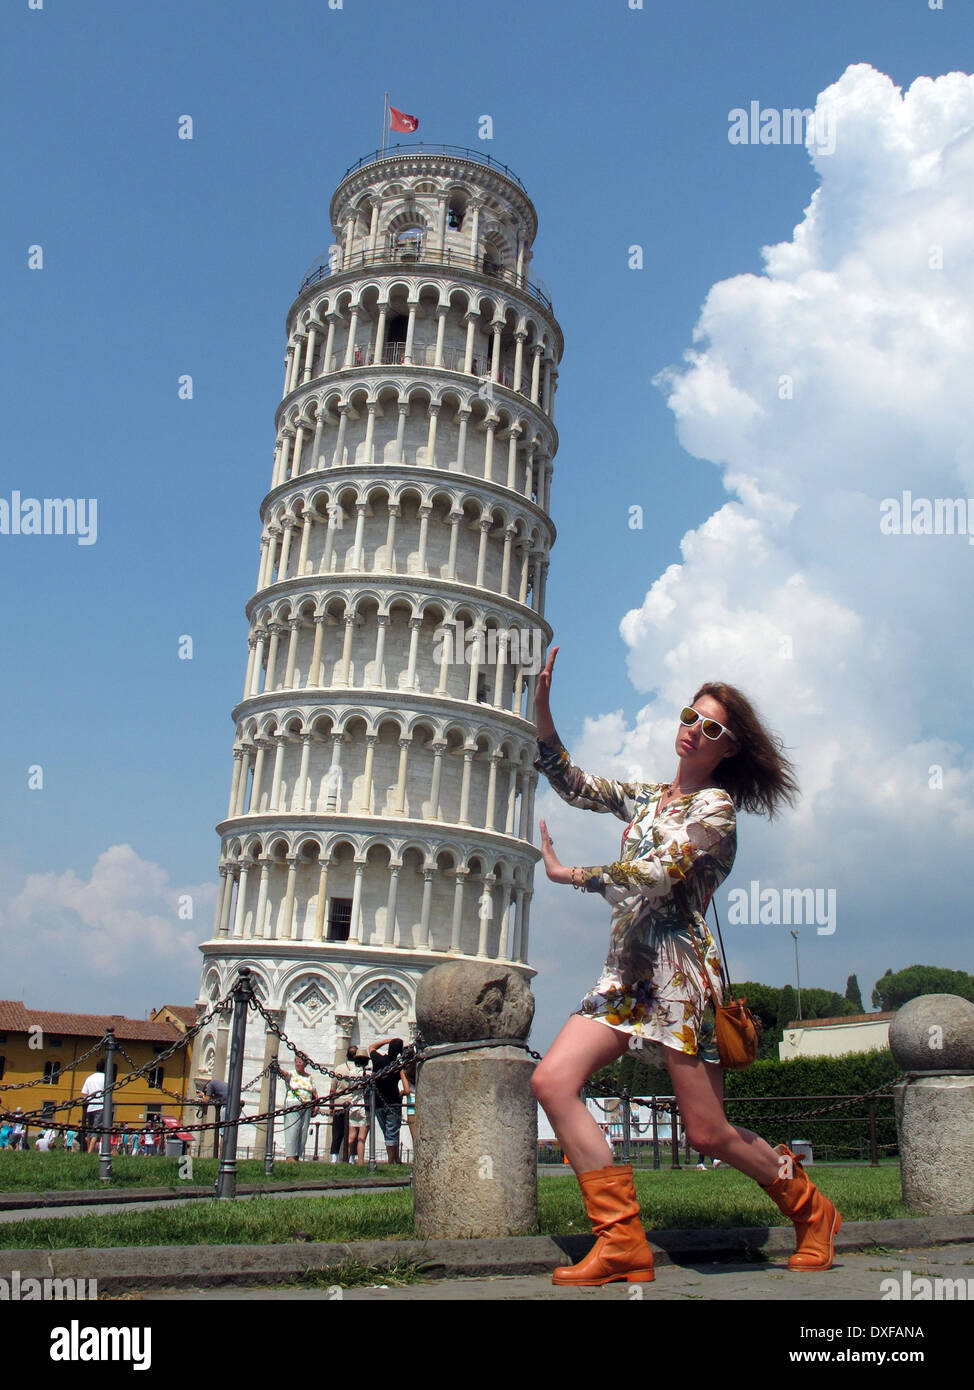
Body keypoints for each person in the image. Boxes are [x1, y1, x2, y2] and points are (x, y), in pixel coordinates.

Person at [531, 645, 841, 1286]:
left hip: (678, 979)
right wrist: (542, 710)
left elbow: (660, 872)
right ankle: (621, 1241)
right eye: (690, 716)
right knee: (552, 1082)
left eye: (712, 728)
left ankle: (813, 1210)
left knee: (709, 1133)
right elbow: (573, 782)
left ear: (729, 748)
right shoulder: (648, 798)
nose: (694, 730)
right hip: (623, 976)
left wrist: (575, 874)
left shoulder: (716, 811)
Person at [368, 1037, 404, 1164]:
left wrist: (387, 1041)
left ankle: (394, 1158)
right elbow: (405, 1085)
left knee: (387, 1131)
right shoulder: (398, 1065)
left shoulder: (378, 1059)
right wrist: (402, 1093)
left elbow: (371, 1047)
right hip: (393, 1101)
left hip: (378, 1101)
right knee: (392, 1132)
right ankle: (391, 1160)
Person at [278, 1054, 318, 1162]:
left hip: (307, 1104)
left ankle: (297, 1156)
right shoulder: (291, 1074)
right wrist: (277, 1066)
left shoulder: (309, 1077)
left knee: (303, 1130)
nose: (298, 1064)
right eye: (296, 1061)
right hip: (293, 1103)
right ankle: (290, 1156)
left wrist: (316, 1105)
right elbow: (284, 1074)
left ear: (305, 1063)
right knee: (292, 1129)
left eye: (300, 1062)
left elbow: (314, 1092)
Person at [329, 1045, 360, 1163]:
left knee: (337, 1133)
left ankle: (334, 1158)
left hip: (339, 1104)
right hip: (354, 1103)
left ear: (347, 1055)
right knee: (354, 1133)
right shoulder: (359, 1070)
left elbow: (332, 1090)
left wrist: (331, 1106)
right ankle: (351, 1158)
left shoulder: (338, 1068)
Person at [346, 1051, 371, 1164]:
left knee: (351, 1136)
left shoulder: (351, 1072)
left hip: (353, 1103)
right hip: (364, 1105)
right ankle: (360, 1161)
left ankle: (347, 1159)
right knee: (361, 1137)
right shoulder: (367, 1074)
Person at [81, 1060, 107, 1154]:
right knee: (96, 1131)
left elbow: (84, 1093)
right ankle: (89, 1152)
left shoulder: (89, 1078)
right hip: (100, 1106)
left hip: (90, 1107)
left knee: (90, 1130)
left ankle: (89, 1151)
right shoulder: (106, 1078)